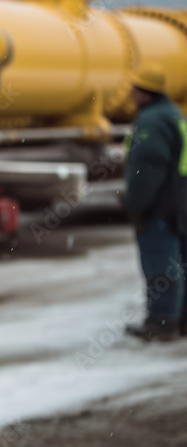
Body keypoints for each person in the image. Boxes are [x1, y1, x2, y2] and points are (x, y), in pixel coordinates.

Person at [123, 63, 187, 342]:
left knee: (160, 263)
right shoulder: (173, 114)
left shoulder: (151, 121)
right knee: (177, 262)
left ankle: (162, 323)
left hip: (160, 204)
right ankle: (179, 320)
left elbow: (147, 167)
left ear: (144, 92)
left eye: (135, 89)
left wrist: (136, 205)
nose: (131, 94)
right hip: (178, 200)